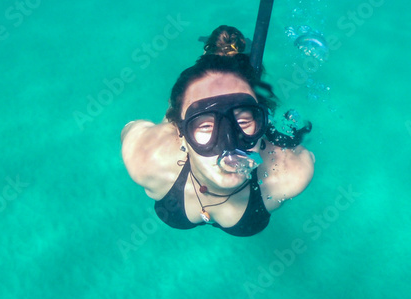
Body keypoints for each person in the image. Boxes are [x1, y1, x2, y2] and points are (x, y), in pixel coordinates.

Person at [121, 22, 314, 236]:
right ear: (181, 134)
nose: (228, 143)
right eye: (205, 125)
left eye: (244, 121)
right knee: (176, 110)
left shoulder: (291, 174)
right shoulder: (147, 159)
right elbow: (131, 130)